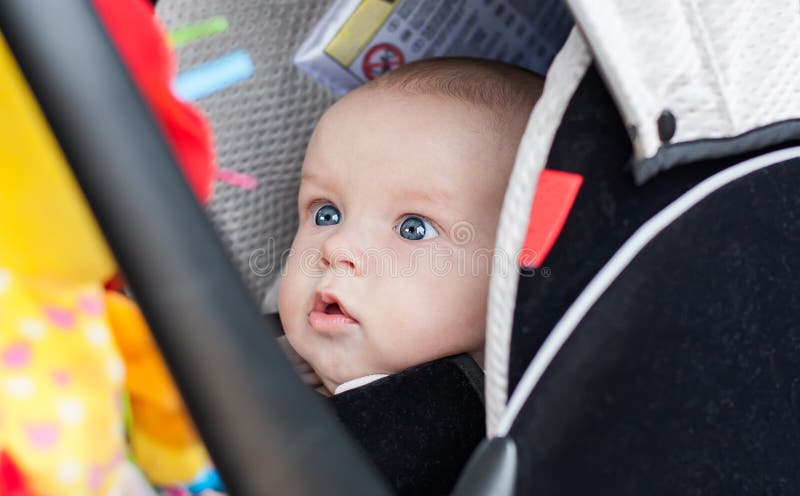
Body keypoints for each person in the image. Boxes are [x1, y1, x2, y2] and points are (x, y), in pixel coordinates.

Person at [278, 57, 544, 395]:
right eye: (326, 214)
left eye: (413, 228)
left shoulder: (483, 435)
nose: (337, 247)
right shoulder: (247, 358)